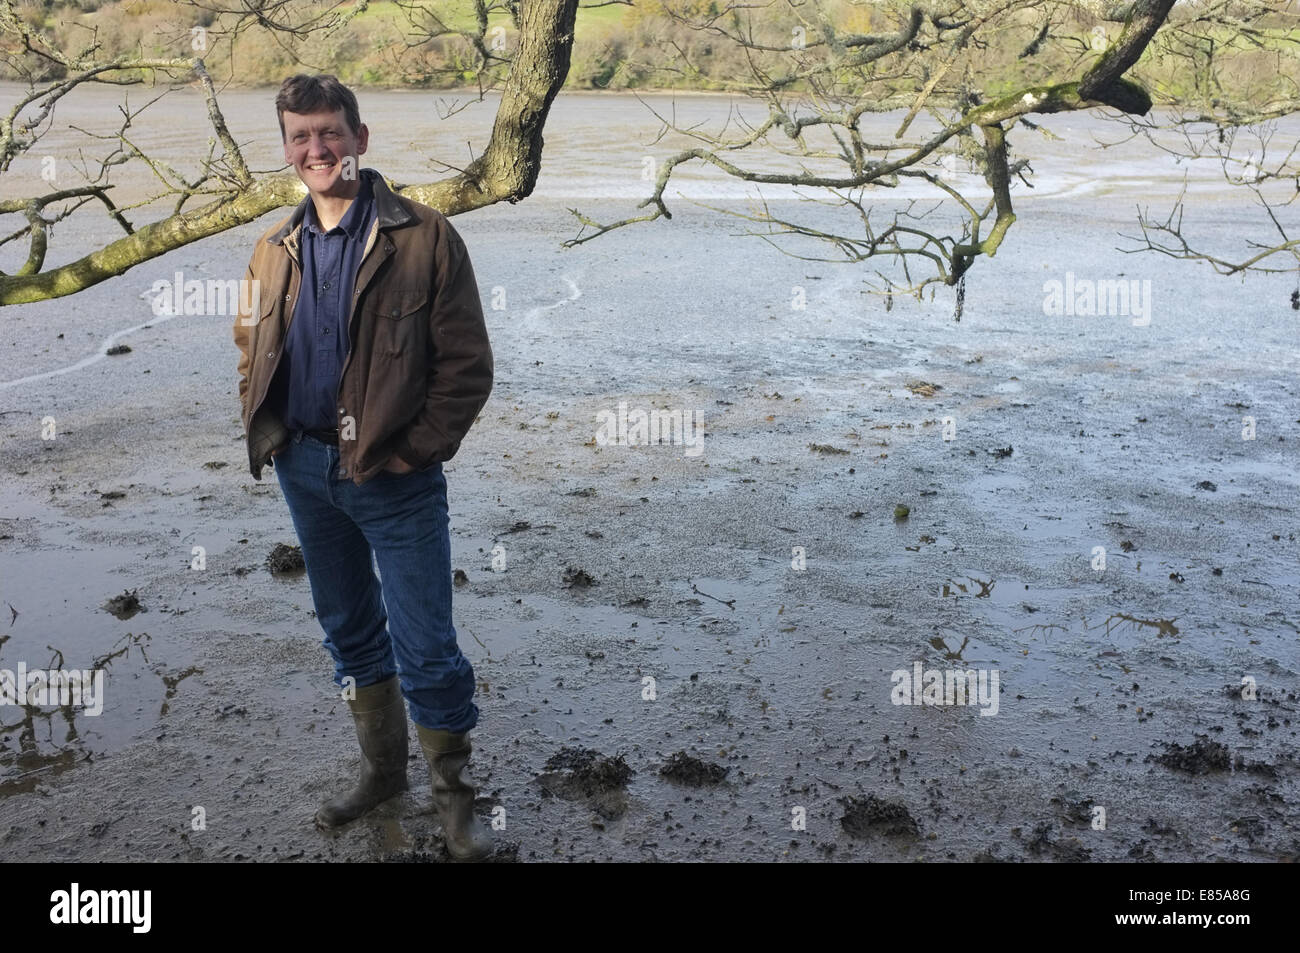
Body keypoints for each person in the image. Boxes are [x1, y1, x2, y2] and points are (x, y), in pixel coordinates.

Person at [233, 73, 494, 860]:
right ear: (287, 149)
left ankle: (455, 801)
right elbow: (251, 344)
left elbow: (466, 371)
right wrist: (272, 432)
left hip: (396, 479)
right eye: (302, 136)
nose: (318, 148)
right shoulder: (272, 247)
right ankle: (383, 775)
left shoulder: (426, 237)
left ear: (360, 138)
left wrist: (413, 451)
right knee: (347, 631)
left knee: (428, 647)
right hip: (305, 472)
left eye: (330, 132)